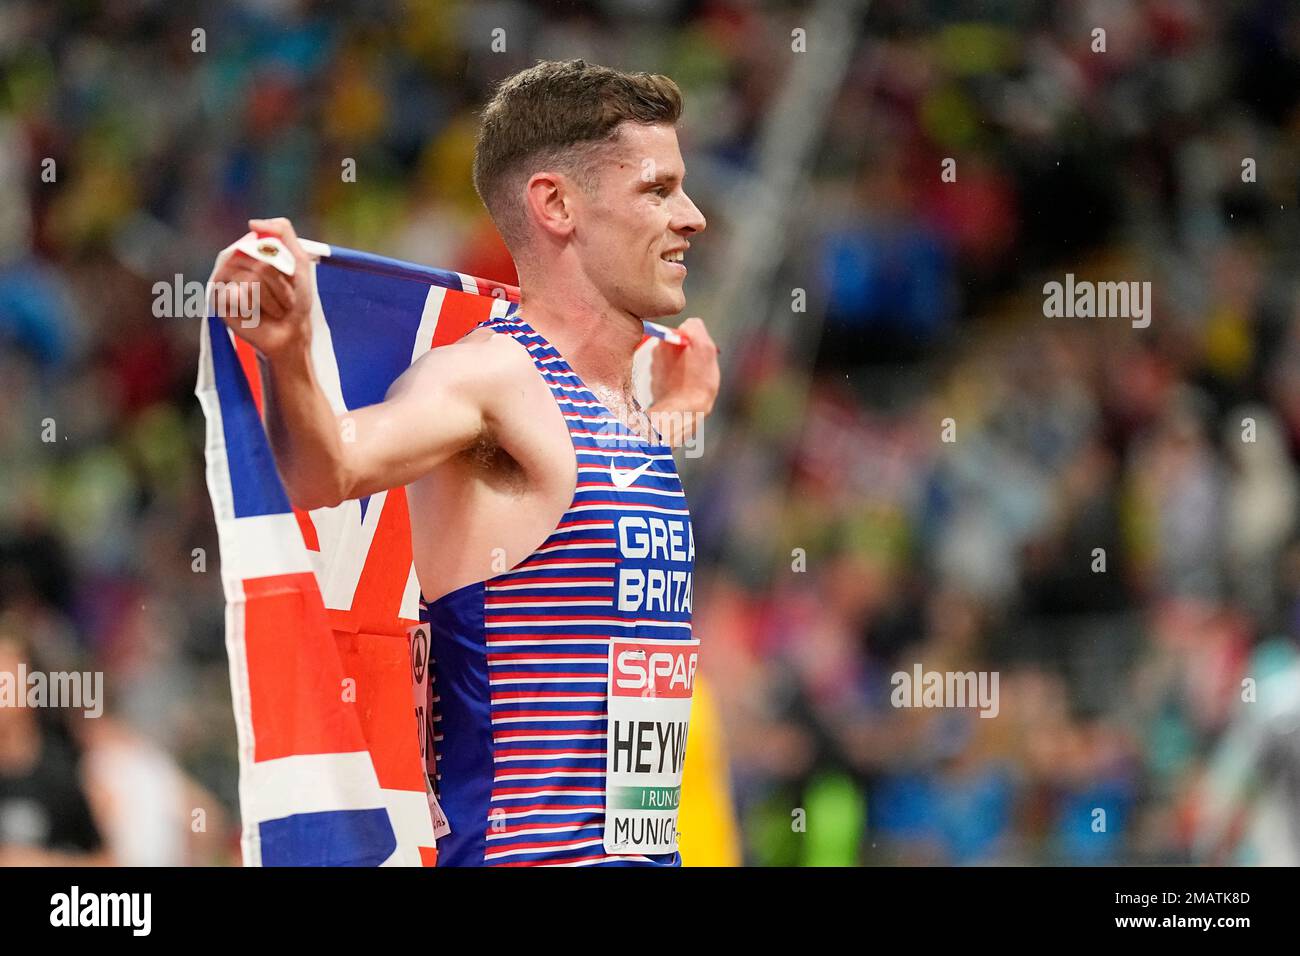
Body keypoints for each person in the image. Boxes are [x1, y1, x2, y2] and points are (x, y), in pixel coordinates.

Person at [208, 59, 719, 866]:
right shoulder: (488, 378)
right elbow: (327, 473)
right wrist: (293, 352)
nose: (691, 217)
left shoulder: (626, 406)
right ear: (555, 205)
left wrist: (679, 413)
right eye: (657, 191)